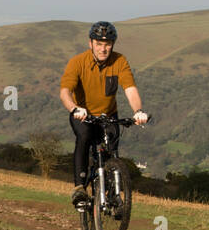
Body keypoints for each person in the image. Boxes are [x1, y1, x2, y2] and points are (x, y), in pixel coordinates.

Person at [59, 21, 148, 207]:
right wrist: (74, 108)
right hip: (83, 115)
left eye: (107, 44)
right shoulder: (77, 62)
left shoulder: (120, 61)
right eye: (99, 44)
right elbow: (65, 92)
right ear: (90, 43)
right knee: (83, 137)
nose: (103, 49)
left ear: (113, 44)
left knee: (112, 152)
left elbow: (130, 89)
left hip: (109, 115)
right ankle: (79, 189)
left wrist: (138, 111)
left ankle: (112, 194)